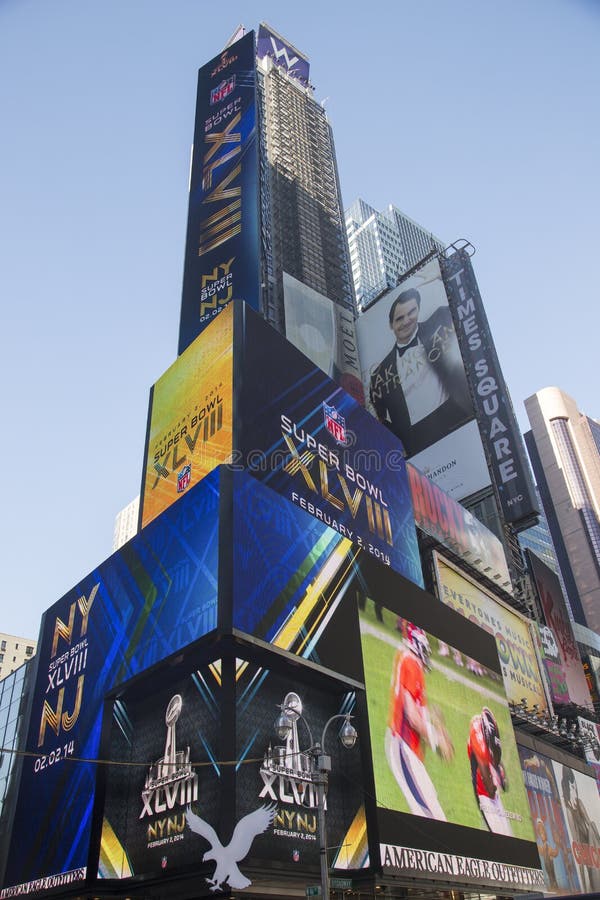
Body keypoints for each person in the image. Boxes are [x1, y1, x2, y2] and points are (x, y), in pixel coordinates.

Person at [369, 288, 472, 456]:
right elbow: (381, 419)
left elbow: (458, 305)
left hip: (456, 419)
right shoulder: (379, 374)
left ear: (418, 309)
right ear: (391, 325)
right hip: (416, 444)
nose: (407, 321)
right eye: (399, 318)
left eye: (412, 312)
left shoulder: (439, 322)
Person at [385, 624, 453, 820]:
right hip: (402, 745)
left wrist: (437, 733)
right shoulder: (411, 663)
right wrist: (437, 737)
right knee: (432, 817)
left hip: (408, 748)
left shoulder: (408, 661)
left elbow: (418, 718)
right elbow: (413, 717)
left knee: (431, 806)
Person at [467, 707, 512, 835]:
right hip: (484, 795)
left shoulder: (484, 728)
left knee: (507, 835)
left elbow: (495, 753)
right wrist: (498, 778)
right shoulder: (481, 749)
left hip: (494, 795)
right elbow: (490, 788)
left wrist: (499, 769)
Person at [560, 766, 600, 892]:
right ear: (566, 787)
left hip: (591, 847)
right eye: (571, 786)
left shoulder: (580, 803)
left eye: (574, 786)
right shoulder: (568, 810)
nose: (574, 789)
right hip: (583, 851)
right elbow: (575, 838)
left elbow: (590, 825)